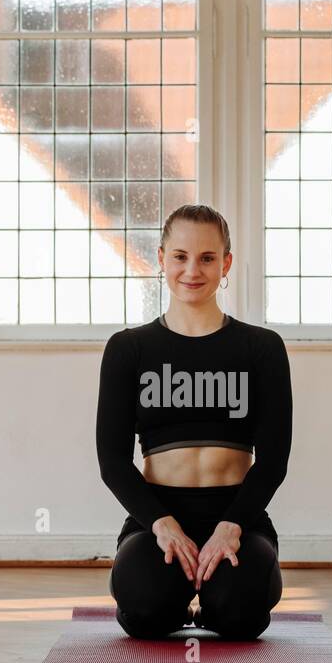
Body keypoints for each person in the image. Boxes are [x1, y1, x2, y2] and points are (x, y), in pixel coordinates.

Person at [96, 203, 293, 640]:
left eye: (207, 258)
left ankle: (214, 606)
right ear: (162, 258)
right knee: (146, 613)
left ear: (225, 263)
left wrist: (231, 526)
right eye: (181, 256)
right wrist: (162, 525)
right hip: (160, 516)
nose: (192, 270)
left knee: (241, 616)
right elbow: (112, 461)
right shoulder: (129, 349)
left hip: (237, 515)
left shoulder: (262, 349)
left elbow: (274, 460)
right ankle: (166, 601)